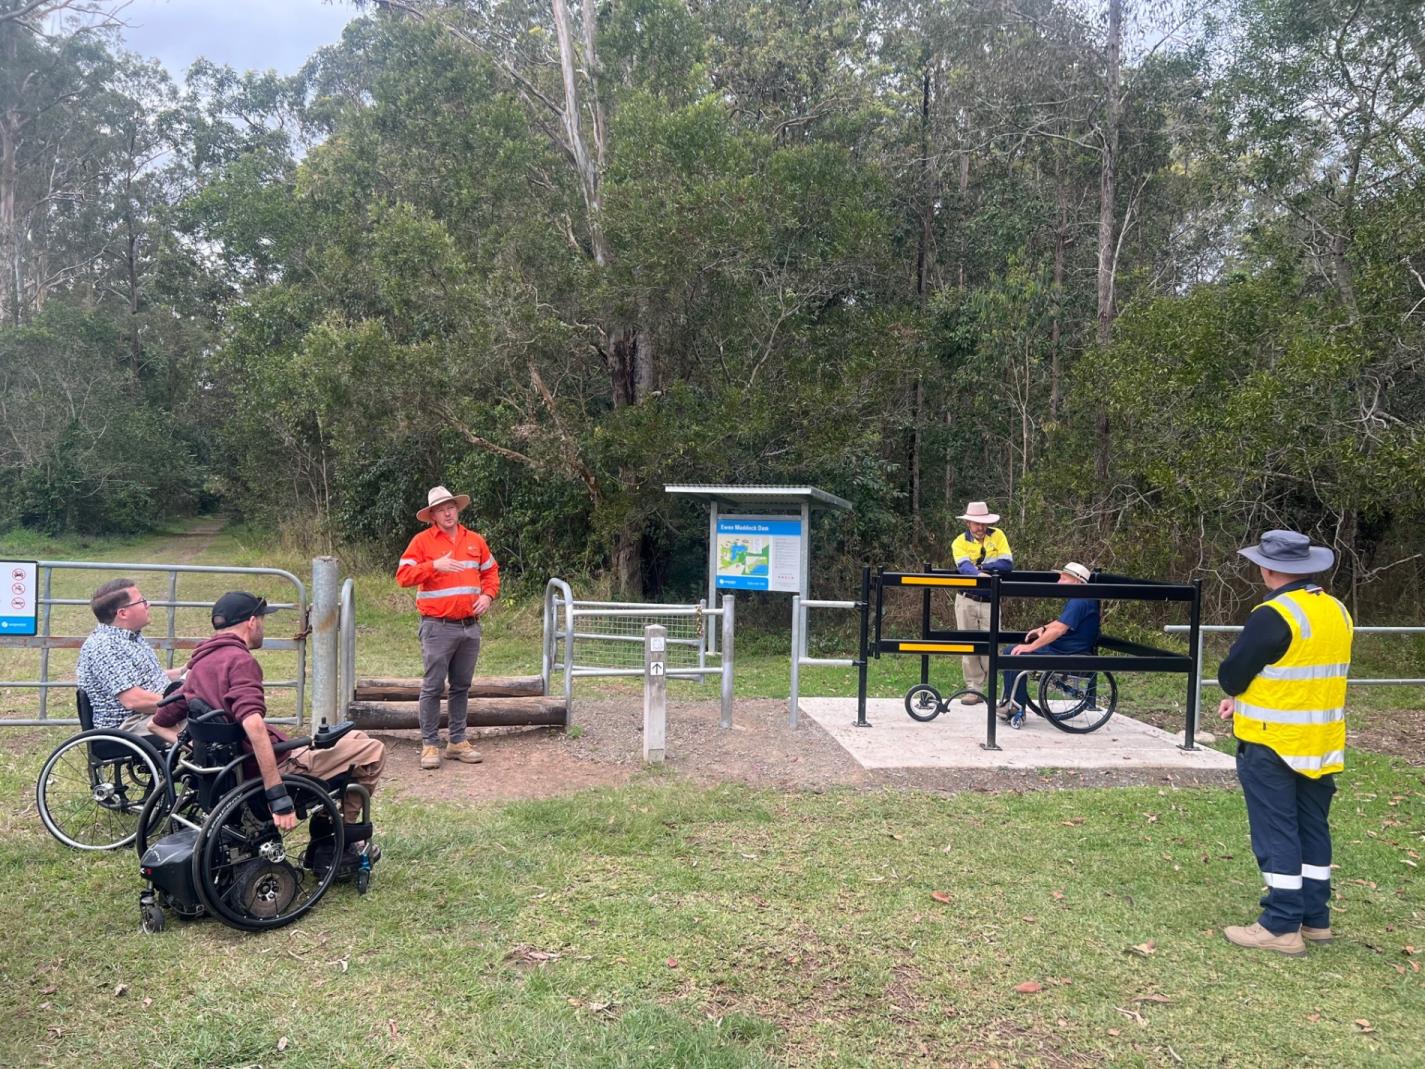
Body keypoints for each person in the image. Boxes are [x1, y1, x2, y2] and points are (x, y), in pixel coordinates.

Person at [150, 592, 386, 850]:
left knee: (356, 738)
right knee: (373, 751)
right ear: (252, 622)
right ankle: (338, 839)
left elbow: (157, 723)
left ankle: (330, 824)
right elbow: (253, 726)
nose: (263, 626)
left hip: (234, 768)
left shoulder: (199, 663)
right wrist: (277, 795)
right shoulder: (239, 662)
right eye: (262, 620)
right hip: (272, 766)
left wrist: (201, 752)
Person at [1216, 530, 1353, 957]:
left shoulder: (1273, 614)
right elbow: (1300, 672)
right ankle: (1315, 919)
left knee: (1277, 831)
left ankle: (1279, 924)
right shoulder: (1335, 610)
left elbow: (1233, 674)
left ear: (1268, 568)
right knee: (1312, 828)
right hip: (1322, 741)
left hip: (1272, 743)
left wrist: (1237, 695)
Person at [396, 485, 500, 770]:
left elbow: (491, 571)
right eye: (441, 509)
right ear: (433, 515)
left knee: (461, 687)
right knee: (432, 687)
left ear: (457, 508)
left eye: (451, 506)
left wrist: (487, 596)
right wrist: (434, 566)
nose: (448, 512)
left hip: (470, 627)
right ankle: (430, 744)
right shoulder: (421, 542)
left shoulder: (475, 540)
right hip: (437, 626)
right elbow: (403, 576)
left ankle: (456, 742)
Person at [75, 578, 185, 736]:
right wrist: (183, 702)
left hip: (149, 715)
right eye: (142, 601)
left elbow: (146, 678)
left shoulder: (128, 638)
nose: (148, 605)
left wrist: (183, 671)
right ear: (123, 613)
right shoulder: (104, 647)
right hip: (130, 726)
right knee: (205, 721)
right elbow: (133, 700)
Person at [996, 561, 1100, 718]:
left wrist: (1030, 647)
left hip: (1067, 651)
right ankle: (1011, 702)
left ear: (1077, 581)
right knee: (1011, 650)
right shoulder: (1079, 597)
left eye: (1063, 579)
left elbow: (1059, 630)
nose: (1058, 582)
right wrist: (1043, 628)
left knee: (1017, 654)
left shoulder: (1080, 601)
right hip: (1064, 647)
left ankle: (1017, 708)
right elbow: (1060, 623)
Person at [949, 501, 1014, 704]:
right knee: (968, 644)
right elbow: (964, 567)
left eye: (983, 523)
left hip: (990, 599)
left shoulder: (998, 535)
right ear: (968, 523)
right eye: (976, 523)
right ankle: (973, 689)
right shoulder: (959, 542)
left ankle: (993, 686)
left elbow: (1007, 563)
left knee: (992, 643)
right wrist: (980, 573)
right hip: (967, 599)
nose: (980, 528)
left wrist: (984, 566)